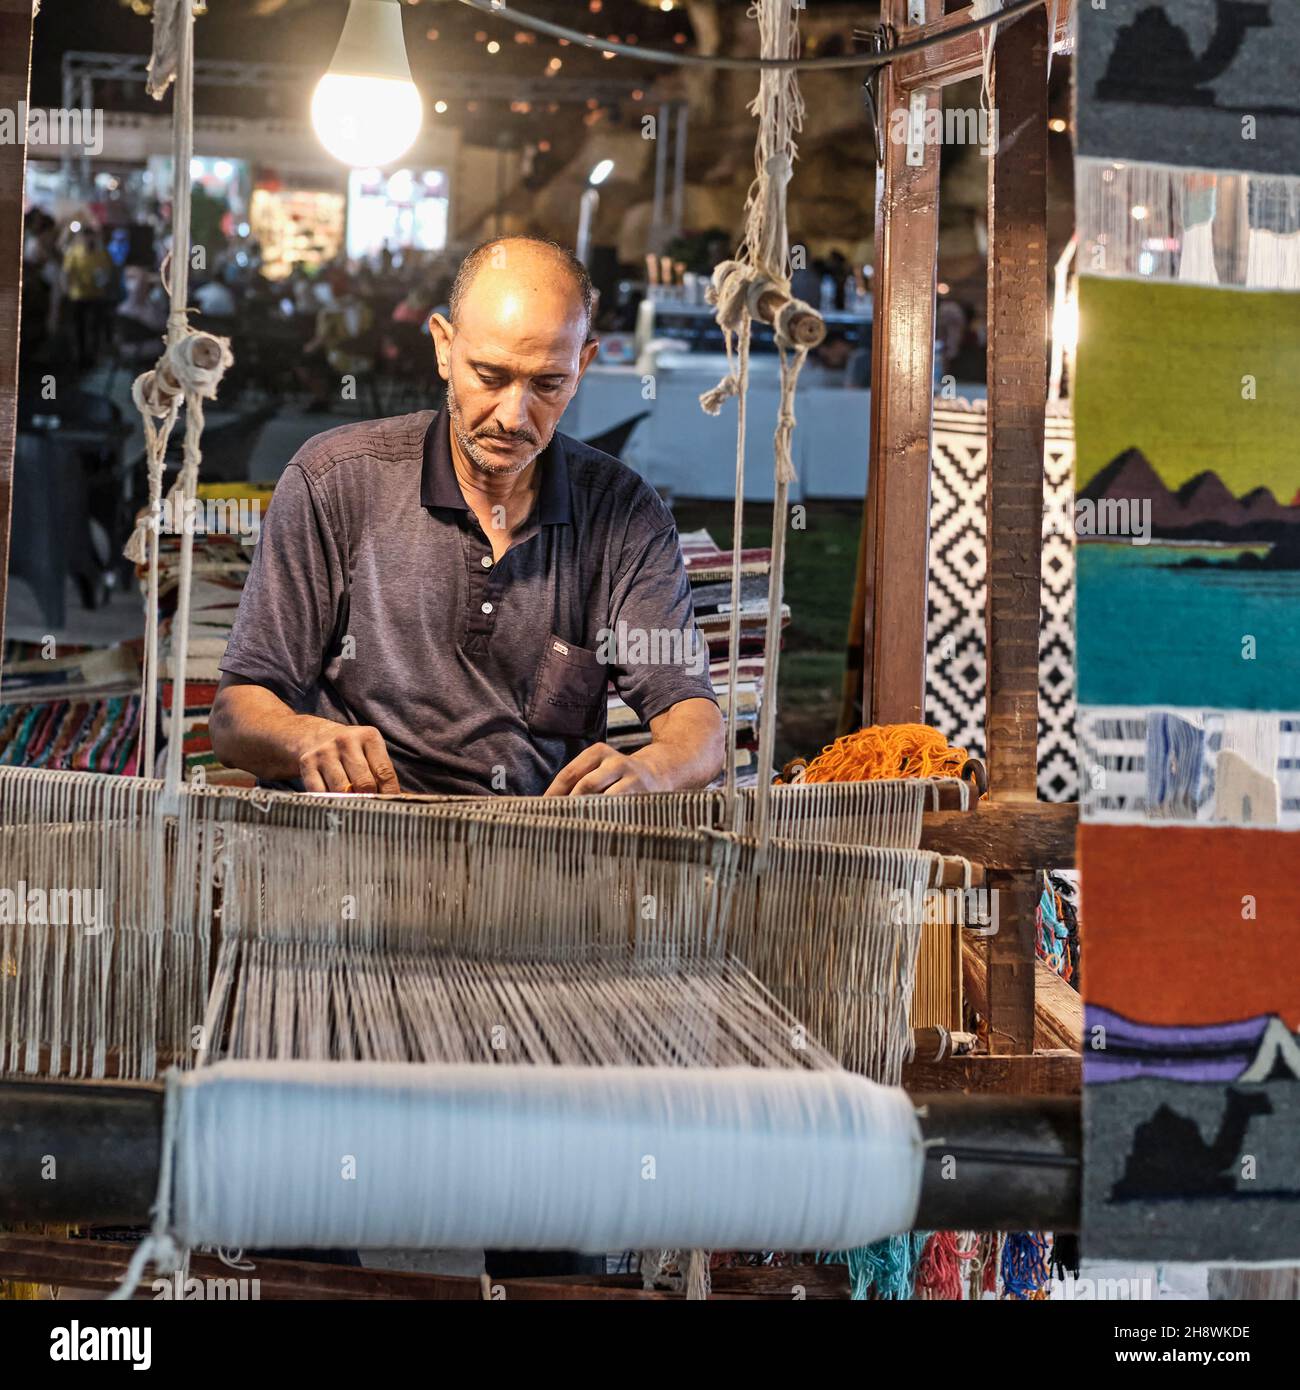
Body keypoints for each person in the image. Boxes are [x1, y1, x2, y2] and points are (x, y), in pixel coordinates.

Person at [210, 234, 723, 799]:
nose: (512, 415)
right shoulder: (336, 481)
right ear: (443, 347)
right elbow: (236, 716)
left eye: (548, 383)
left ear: (583, 365)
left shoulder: (624, 514)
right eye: (491, 375)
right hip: (357, 835)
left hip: (529, 850)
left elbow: (695, 725)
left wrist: (656, 769)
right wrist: (304, 737)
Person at [61, 226, 116, 368]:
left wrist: (106, 285)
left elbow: (109, 273)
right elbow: (67, 272)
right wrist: (66, 289)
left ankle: (93, 356)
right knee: (78, 328)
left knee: (95, 327)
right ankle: (79, 357)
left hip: (96, 296)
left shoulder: (102, 254)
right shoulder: (74, 253)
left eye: (91, 236)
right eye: (85, 236)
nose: (88, 239)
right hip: (78, 296)